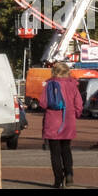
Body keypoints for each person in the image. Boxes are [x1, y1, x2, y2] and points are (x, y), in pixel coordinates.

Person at [37, 60, 82, 188]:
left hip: (52, 121)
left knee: (55, 153)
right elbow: (79, 104)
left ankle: (58, 180)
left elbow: (43, 103)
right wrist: (76, 114)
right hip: (68, 121)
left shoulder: (49, 84)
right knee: (66, 149)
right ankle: (69, 175)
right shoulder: (73, 85)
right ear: (67, 72)